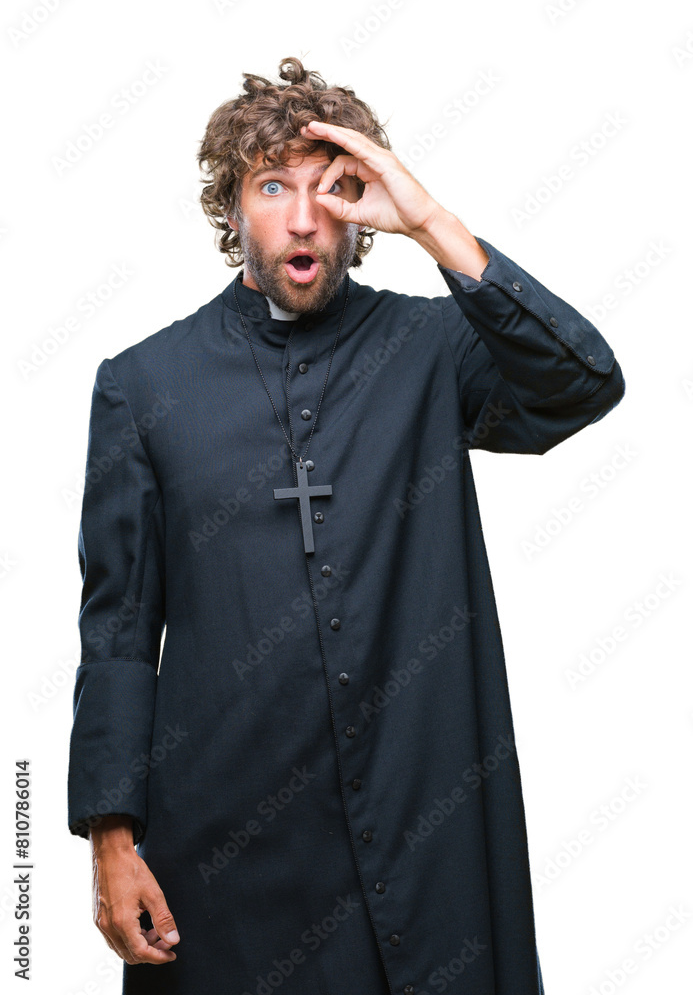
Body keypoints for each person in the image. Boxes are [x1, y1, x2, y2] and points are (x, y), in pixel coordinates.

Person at [67, 56, 625, 995]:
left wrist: (430, 223)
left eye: (334, 190)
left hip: (427, 826)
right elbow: (117, 633)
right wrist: (109, 840)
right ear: (232, 207)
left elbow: (581, 383)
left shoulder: (432, 350)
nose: (301, 217)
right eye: (272, 185)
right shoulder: (142, 385)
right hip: (227, 846)